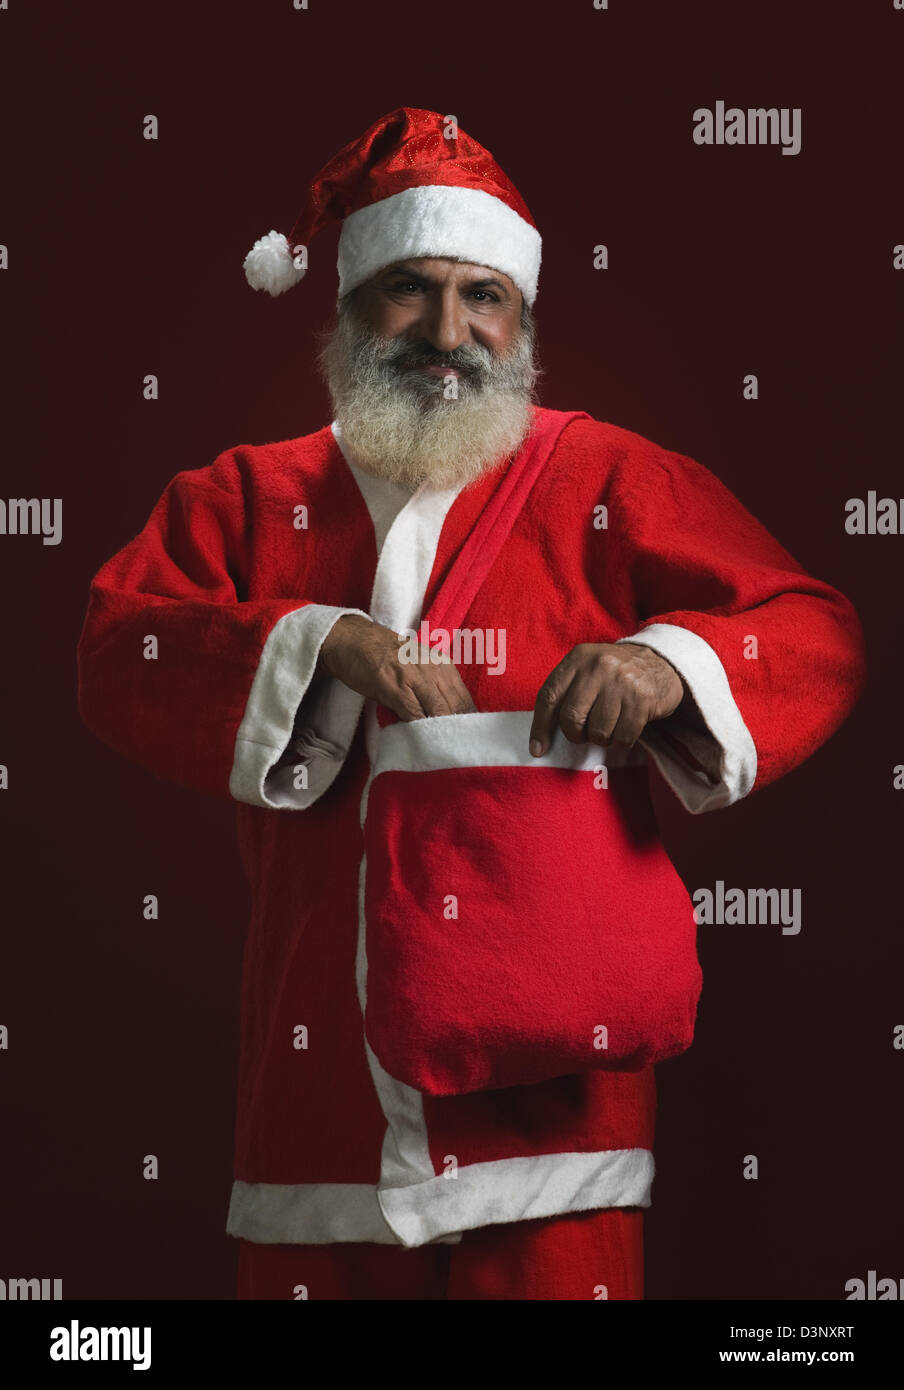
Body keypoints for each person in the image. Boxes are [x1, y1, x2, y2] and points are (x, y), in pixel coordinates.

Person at [76, 107, 866, 1300]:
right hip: (318, 1094)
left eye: (481, 296)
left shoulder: (610, 479)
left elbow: (815, 631)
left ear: (524, 318)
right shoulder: (245, 495)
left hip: (558, 1118)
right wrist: (323, 642)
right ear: (346, 307)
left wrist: (669, 663)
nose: (449, 333)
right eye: (408, 290)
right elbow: (117, 652)